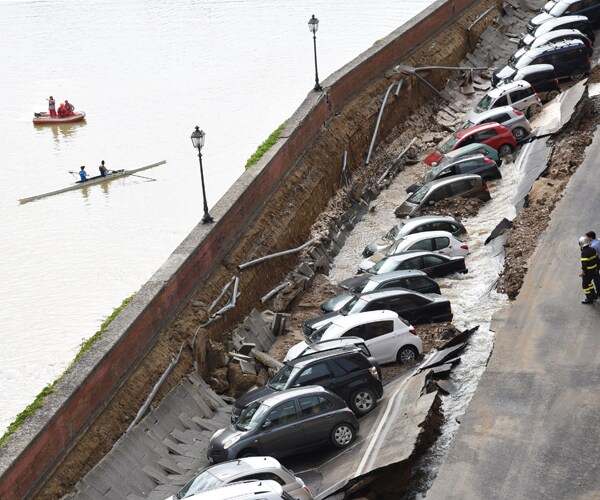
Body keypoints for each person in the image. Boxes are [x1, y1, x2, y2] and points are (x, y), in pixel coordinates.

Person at [579, 236, 599, 304]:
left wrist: (583, 272)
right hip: (594, 270)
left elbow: (584, 265)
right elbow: (596, 259)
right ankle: (594, 296)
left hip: (588, 272)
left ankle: (589, 299)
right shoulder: (593, 249)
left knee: (585, 285)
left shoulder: (584, 253)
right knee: (589, 283)